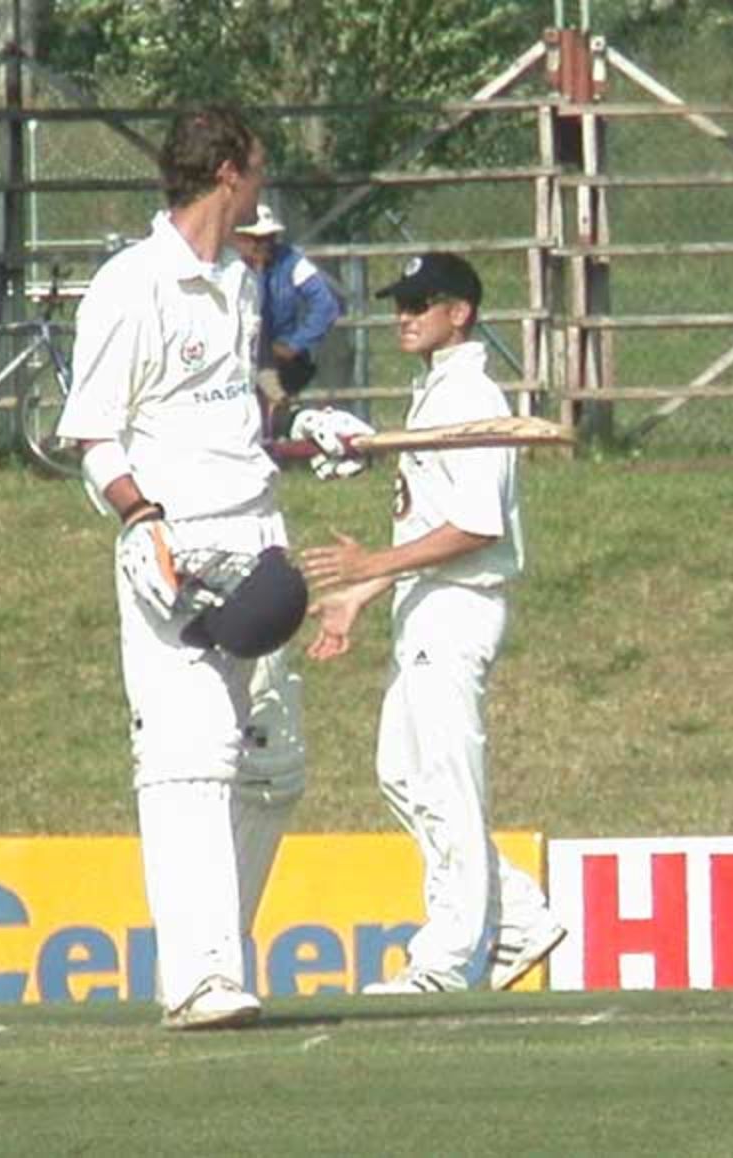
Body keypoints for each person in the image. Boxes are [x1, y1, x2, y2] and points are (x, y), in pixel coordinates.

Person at [55, 107, 309, 1030]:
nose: (263, 189)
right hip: (175, 549)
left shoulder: (239, 283)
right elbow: (91, 432)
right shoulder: (132, 284)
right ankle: (201, 977)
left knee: (274, 768)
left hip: (256, 541)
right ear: (231, 172)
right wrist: (141, 516)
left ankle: (217, 954)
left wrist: (310, 440)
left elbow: (231, 422)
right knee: (189, 753)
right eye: (259, 171)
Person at [301, 252, 564, 994]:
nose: (406, 315)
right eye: (401, 303)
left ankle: (445, 960)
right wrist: (362, 593)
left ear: (462, 313)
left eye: (423, 302)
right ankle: (517, 915)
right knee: (402, 775)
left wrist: (370, 563)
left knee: (447, 781)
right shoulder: (435, 394)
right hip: (424, 603)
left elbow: (477, 527)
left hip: (460, 606)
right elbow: (433, 522)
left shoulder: (470, 396)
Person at [232, 204, 343, 438]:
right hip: (234, 354)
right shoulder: (227, 266)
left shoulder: (290, 261)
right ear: (239, 238)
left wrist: (295, 344)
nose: (264, 244)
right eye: (256, 238)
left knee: (272, 391)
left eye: (269, 237)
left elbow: (326, 305)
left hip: (275, 356)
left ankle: (275, 435)